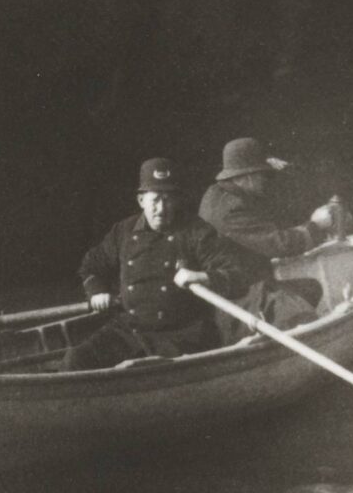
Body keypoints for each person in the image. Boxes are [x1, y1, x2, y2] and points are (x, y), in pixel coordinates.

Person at [57, 157, 267, 371]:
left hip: (181, 334)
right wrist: (96, 292)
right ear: (141, 201)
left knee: (140, 370)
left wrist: (202, 277)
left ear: (176, 201)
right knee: (76, 359)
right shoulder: (123, 231)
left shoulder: (196, 231)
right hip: (129, 329)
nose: (162, 208)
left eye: (168, 199)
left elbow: (237, 273)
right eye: (155, 199)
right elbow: (91, 266)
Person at [198, 137, 347, 260]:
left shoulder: (217, 193)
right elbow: (279, 246)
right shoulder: (231, 211)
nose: (265, 181)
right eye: (263, 175)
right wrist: (316, 225)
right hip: (239, 286)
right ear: (249, 177)